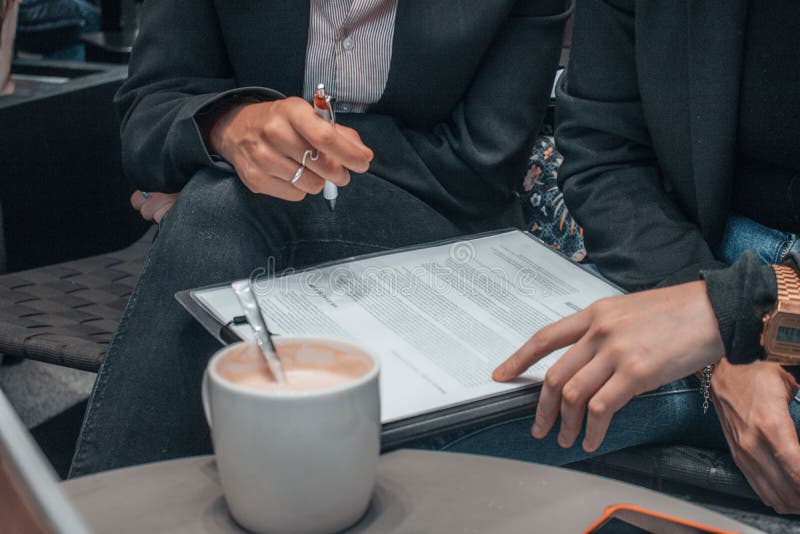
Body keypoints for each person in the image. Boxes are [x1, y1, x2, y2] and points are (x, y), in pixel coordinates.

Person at [68, 0, 571, 477]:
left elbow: (479, 167)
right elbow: (149, 115)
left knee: (223, 209)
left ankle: (96, 514)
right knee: (224, 212)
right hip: (242, 233)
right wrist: (227, 129)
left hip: (440, 239)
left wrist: (260, 159)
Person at [486, 0, 800, 515]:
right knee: (404, 435)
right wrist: (716, 325)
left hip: (735, 298)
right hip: (683, 253)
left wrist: (734, 313)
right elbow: (606, 151)